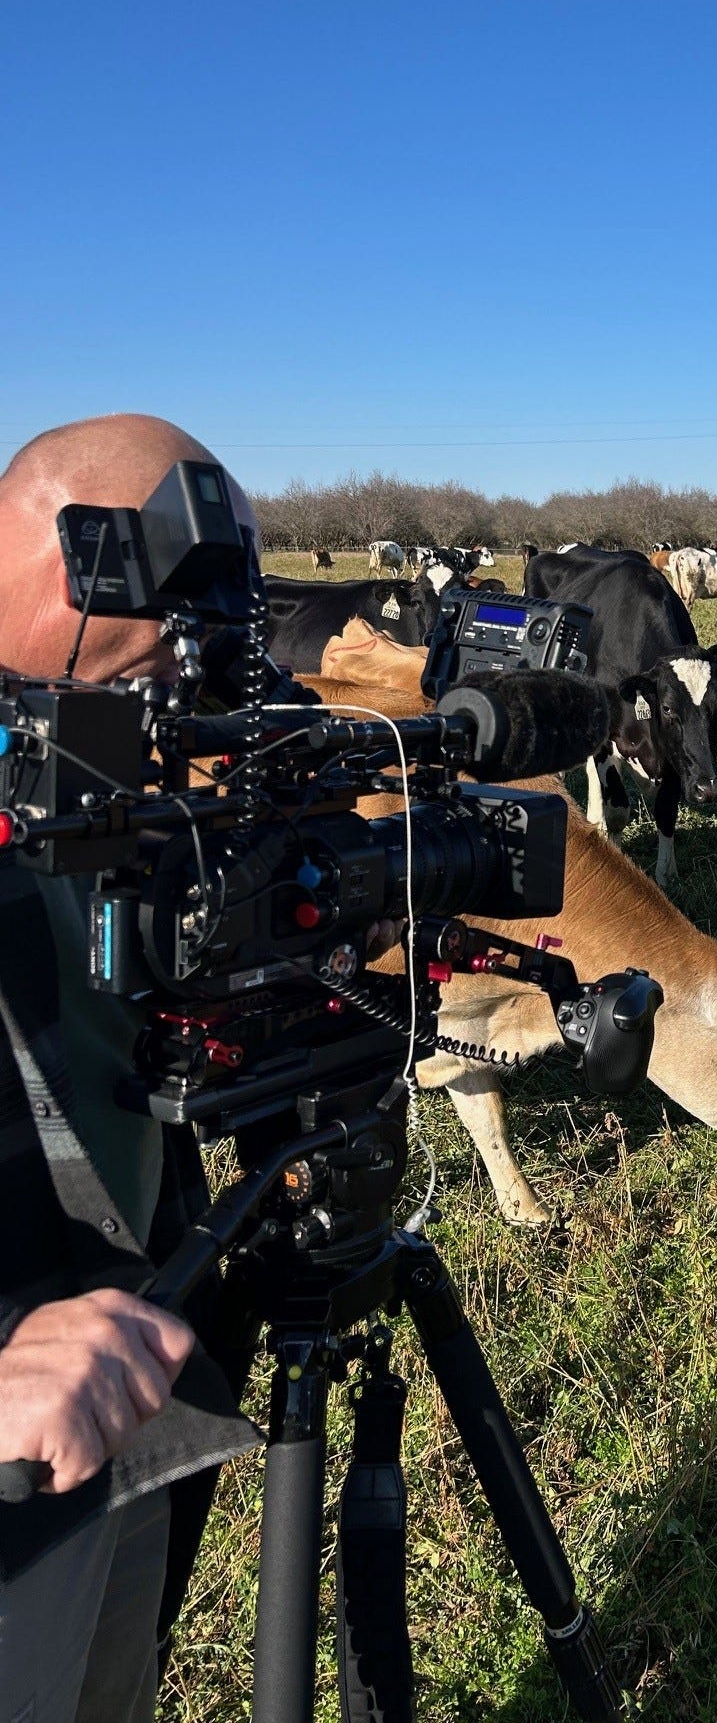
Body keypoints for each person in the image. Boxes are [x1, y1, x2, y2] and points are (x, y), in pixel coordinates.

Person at [0, 416, 261, 1722]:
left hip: (133, 1355)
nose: (199, 674)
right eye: (184, 624)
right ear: (79, 569)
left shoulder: (94, 743)